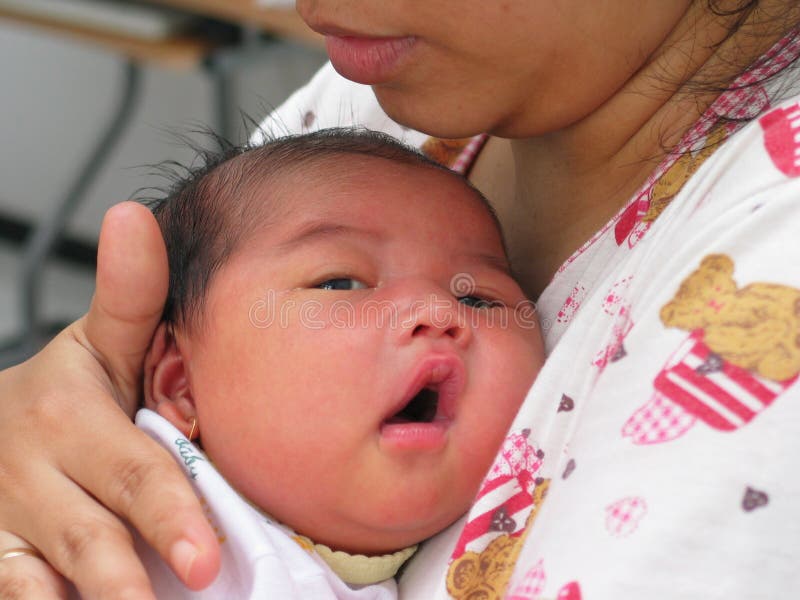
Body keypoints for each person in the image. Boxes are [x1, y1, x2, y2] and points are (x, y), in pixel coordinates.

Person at [1, 1, 800, 598]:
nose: (436, 315)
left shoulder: (770, 263)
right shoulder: (393, 90)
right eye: (341, 283)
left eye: (488, 297)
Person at [132, 127, 542, 599]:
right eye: (340, 284)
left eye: (477, 299)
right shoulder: (111, 488)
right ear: (181, 383)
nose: (437, 312)